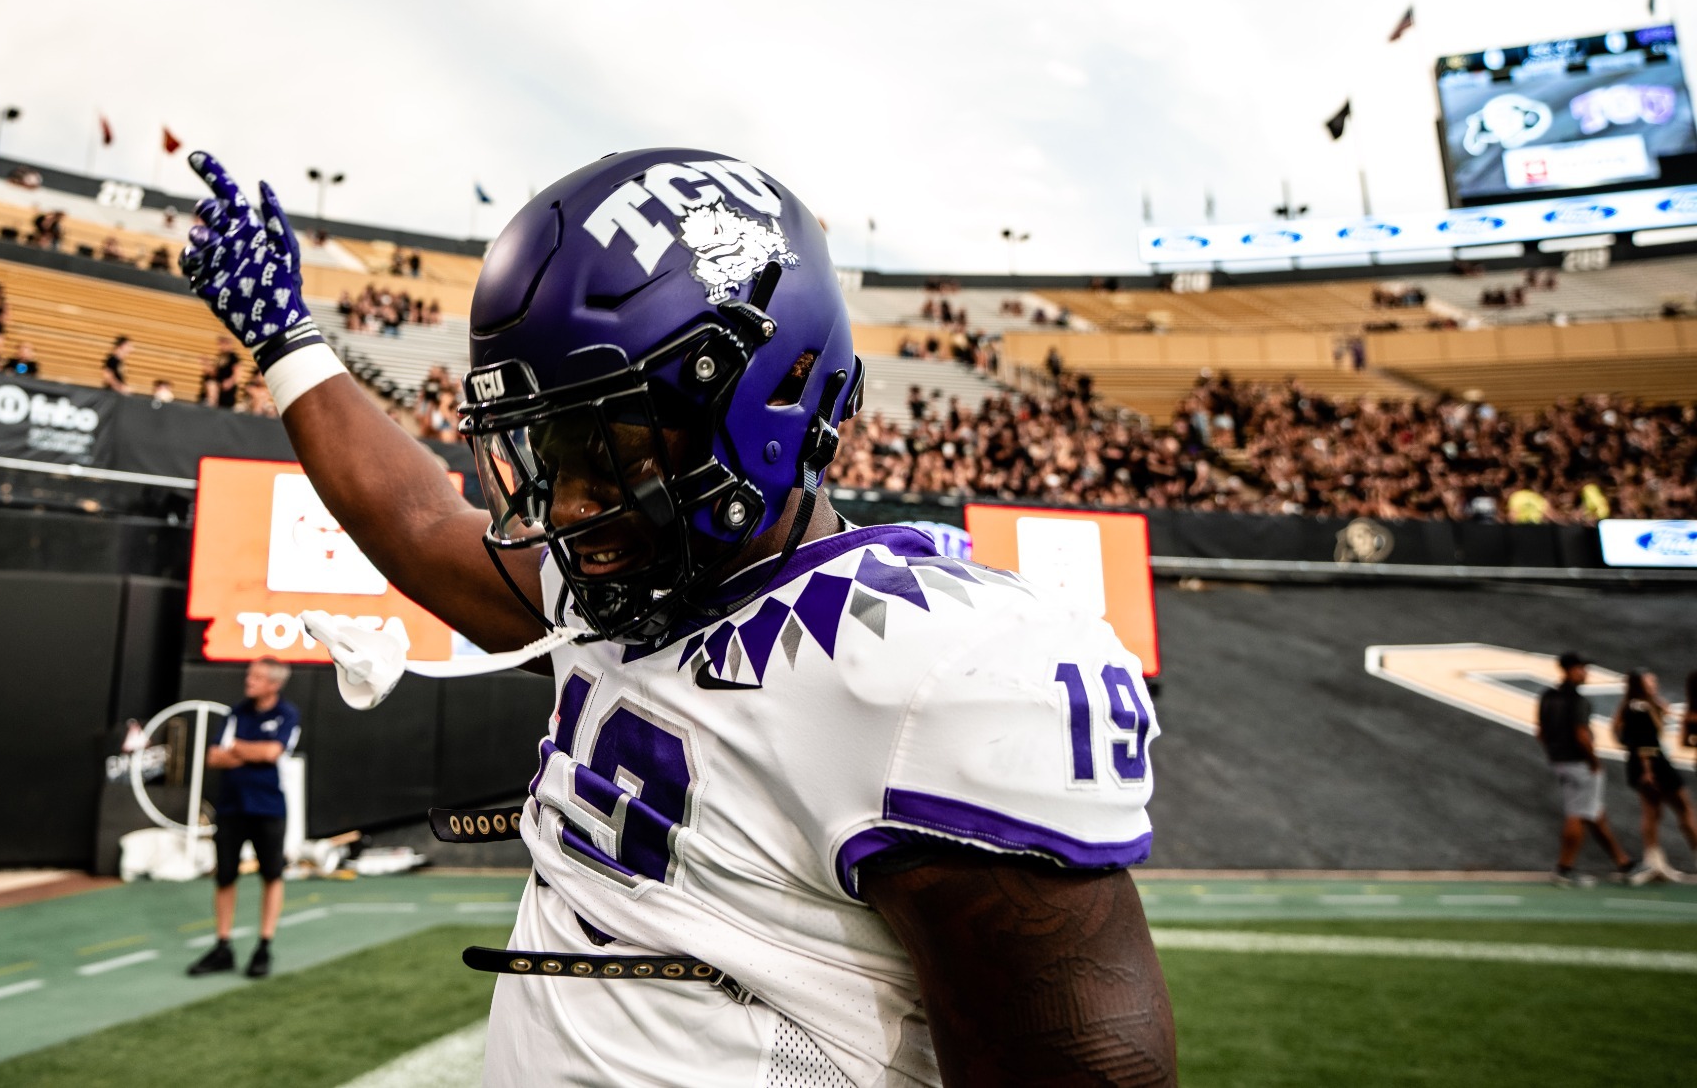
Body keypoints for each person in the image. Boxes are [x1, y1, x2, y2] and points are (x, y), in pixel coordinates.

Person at [179, 149, 1174, 1086]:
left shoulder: (925, 670)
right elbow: (419, 520)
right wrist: (287, 343)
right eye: (542, 450)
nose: (567, 505)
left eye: (605, 447)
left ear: (769, 399)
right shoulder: (628, 580)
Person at [187, 658, 300, 981]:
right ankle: (223, 946)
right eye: (250, 675)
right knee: (224, 877)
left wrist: (237, 749)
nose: (249, 681)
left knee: (271, 875)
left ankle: (264, 945)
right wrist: (250, 751)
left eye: (257, 677)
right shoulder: (237, 712)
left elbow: (272, 753)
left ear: (273, 684)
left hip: (268, 810)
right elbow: (214, 756)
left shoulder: (286, 714)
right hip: (231, 809)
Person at [1537, 651, 1643, 886]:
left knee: (1594, 812)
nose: (1585, 672)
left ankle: (1623, 862)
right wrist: (1594, 761)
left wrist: (1554, 754)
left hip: (1560, 761)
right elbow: (1582, 735)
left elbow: (1541, 732)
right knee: (1578, 813)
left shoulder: (1547, 697)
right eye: (1581, 668)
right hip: (1579, 763)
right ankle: (1564, 868)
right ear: (1569, 670)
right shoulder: (1578, 701)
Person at [1618, 670, 1697, 882]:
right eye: (1650, 681)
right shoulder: (1641, 708)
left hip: (1641, 764)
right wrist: (1648, 771)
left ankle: (1655, 862)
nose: (1654, 684)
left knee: (1653, 812)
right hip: (1654, 765)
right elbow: (1646, 742)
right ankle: (1657, 862)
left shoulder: (1632, 706)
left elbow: (1622, 736)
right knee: (1683, 808)